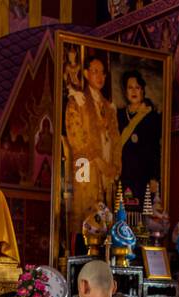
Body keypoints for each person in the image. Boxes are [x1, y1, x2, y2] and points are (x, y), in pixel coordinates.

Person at [64, 52, 120, 252]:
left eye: (102, 73)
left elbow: (115, 140)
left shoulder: (109, 107)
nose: (99, 77)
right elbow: (75, 136)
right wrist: (96, 159)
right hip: (85, 167)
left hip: (106, 172)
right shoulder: (78, 101)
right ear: (86, 73)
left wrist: (113, 167)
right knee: (84, 214)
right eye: (95, 72)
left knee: (107, 217)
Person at [115, 70, 162, 207]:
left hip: (144, 176)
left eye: (137, 87)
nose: (134, 91)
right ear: (125, 91)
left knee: (143, 216)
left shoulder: (151, 117)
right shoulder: (119, 116)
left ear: (142, 90)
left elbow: (155, 150)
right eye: (130, 88)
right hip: (123, 175)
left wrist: (154, 177)